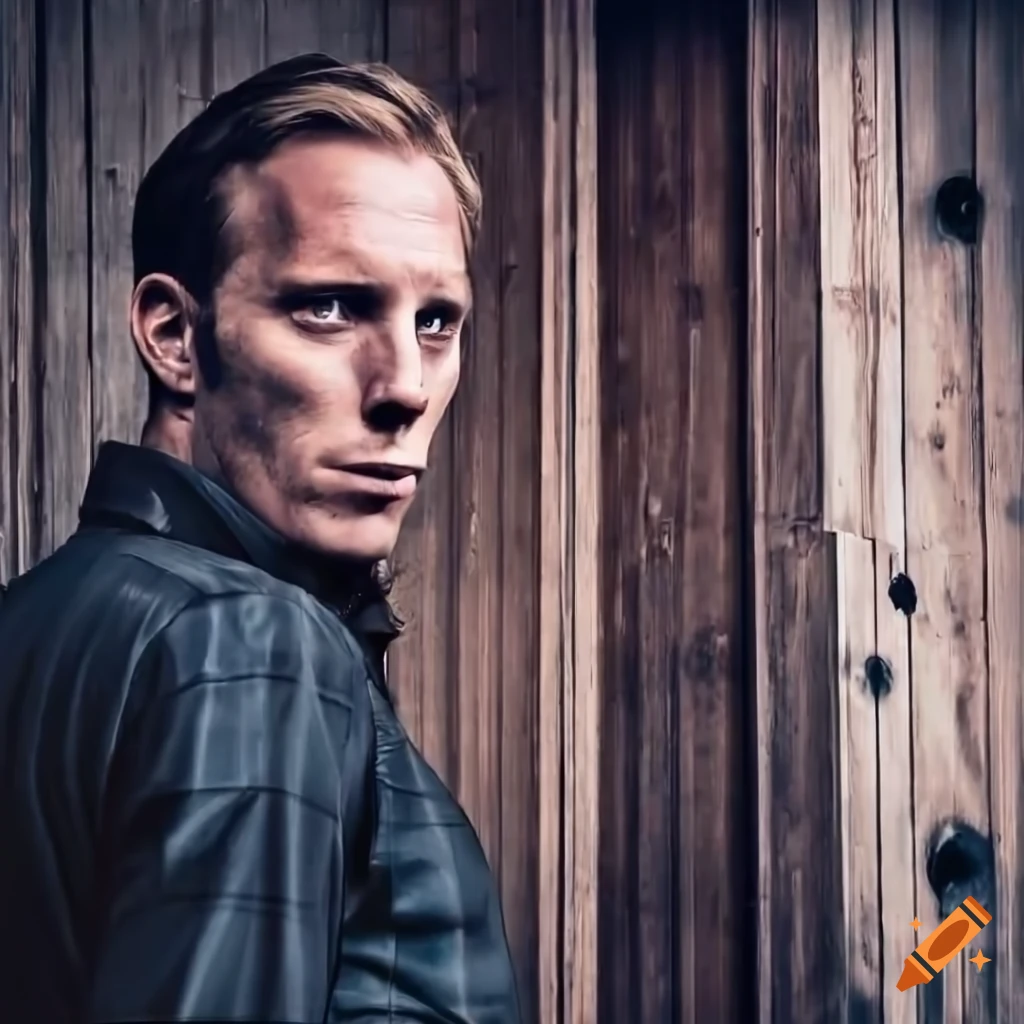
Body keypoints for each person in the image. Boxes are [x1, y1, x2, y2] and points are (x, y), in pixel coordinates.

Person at [0, 54, 521, 1023]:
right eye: (330, 306)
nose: (406, 384)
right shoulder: (253, 643)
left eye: (437, 319)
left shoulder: (31, 624)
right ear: (174, 334)